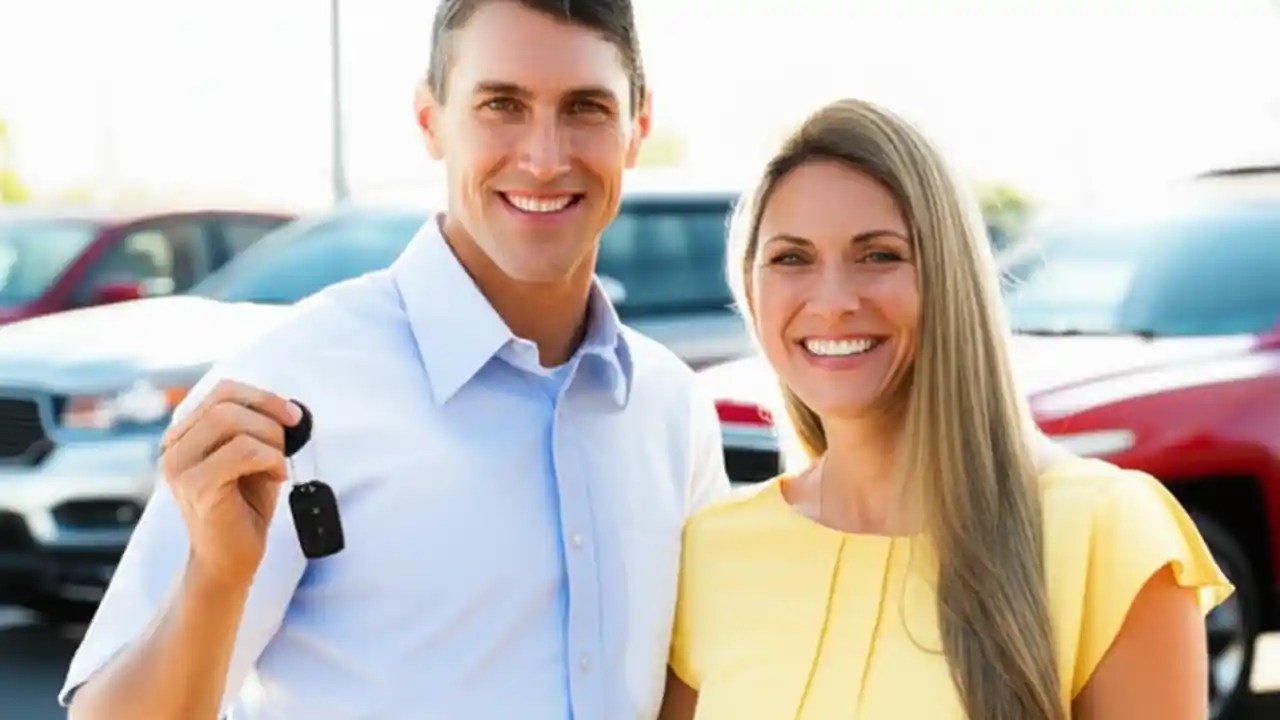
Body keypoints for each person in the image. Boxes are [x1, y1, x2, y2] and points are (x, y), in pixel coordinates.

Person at [60, 1, 730, 718]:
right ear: (429, 119)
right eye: (502, 104)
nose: (544, 157)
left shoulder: (671, 407)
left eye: (586, 107)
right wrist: (214, 579)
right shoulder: (284, 389)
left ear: (639, 127)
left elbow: (682, 689)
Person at [657, 98, 1234, 720]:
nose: (832, 300)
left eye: (878, 255)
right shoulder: (713, 551)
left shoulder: (1104, 532)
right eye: (791, 258)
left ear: (948, 278)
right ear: (750, 287)